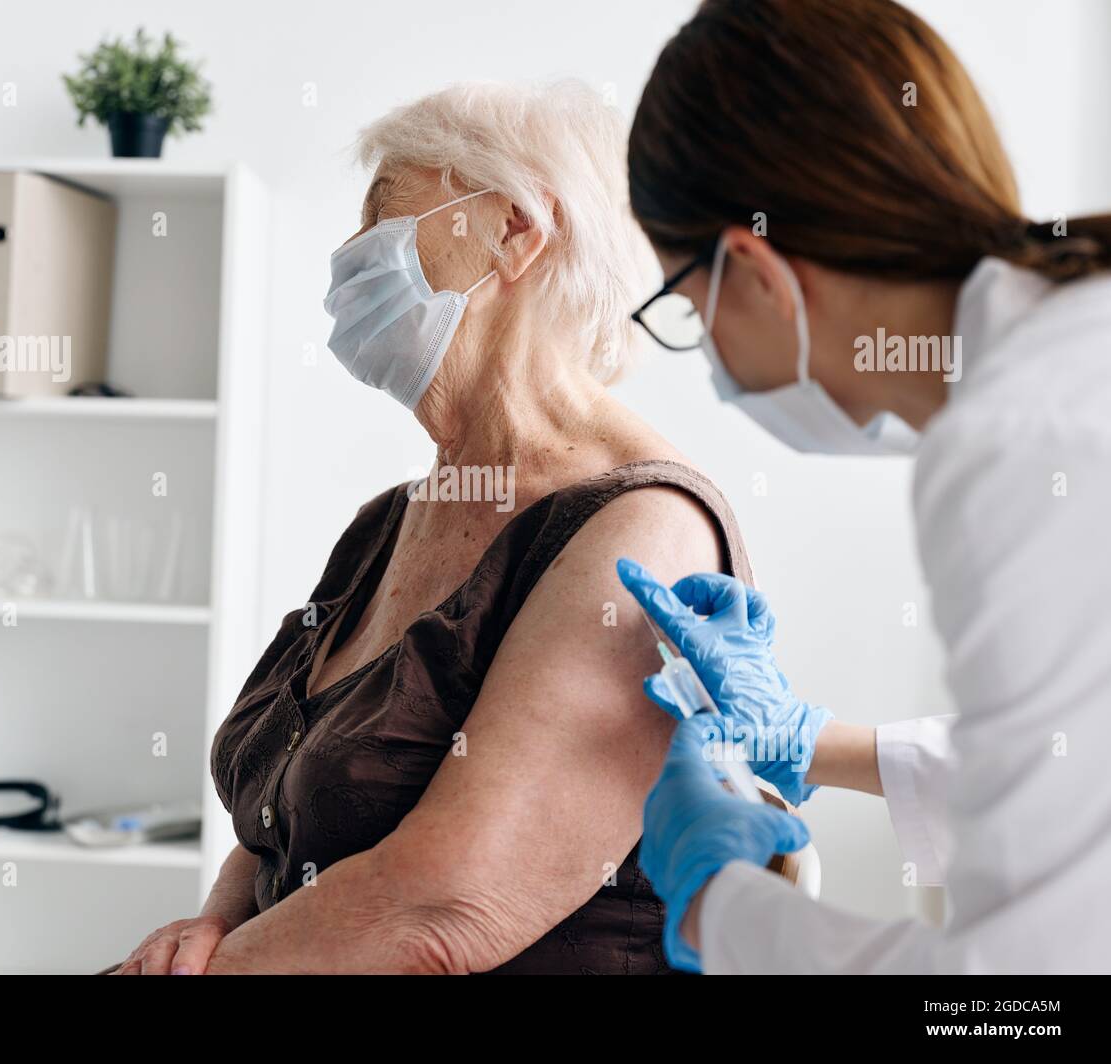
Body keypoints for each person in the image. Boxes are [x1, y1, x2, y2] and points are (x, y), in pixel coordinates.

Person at [112, 80, 775, 975]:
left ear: (513, 230)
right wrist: (215, 930)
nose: (349, 253)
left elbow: (440, 912)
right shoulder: (386, 524)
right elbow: (287, 811)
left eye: (380, 214)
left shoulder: (646, 529)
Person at [617, 0, 1111, 973]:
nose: (707, 351)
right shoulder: (1066, 358)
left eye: (683, 303)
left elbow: (1019, 996)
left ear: (751, 266)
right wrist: (808, 741)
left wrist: (721, 905)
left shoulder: (1020, 443)